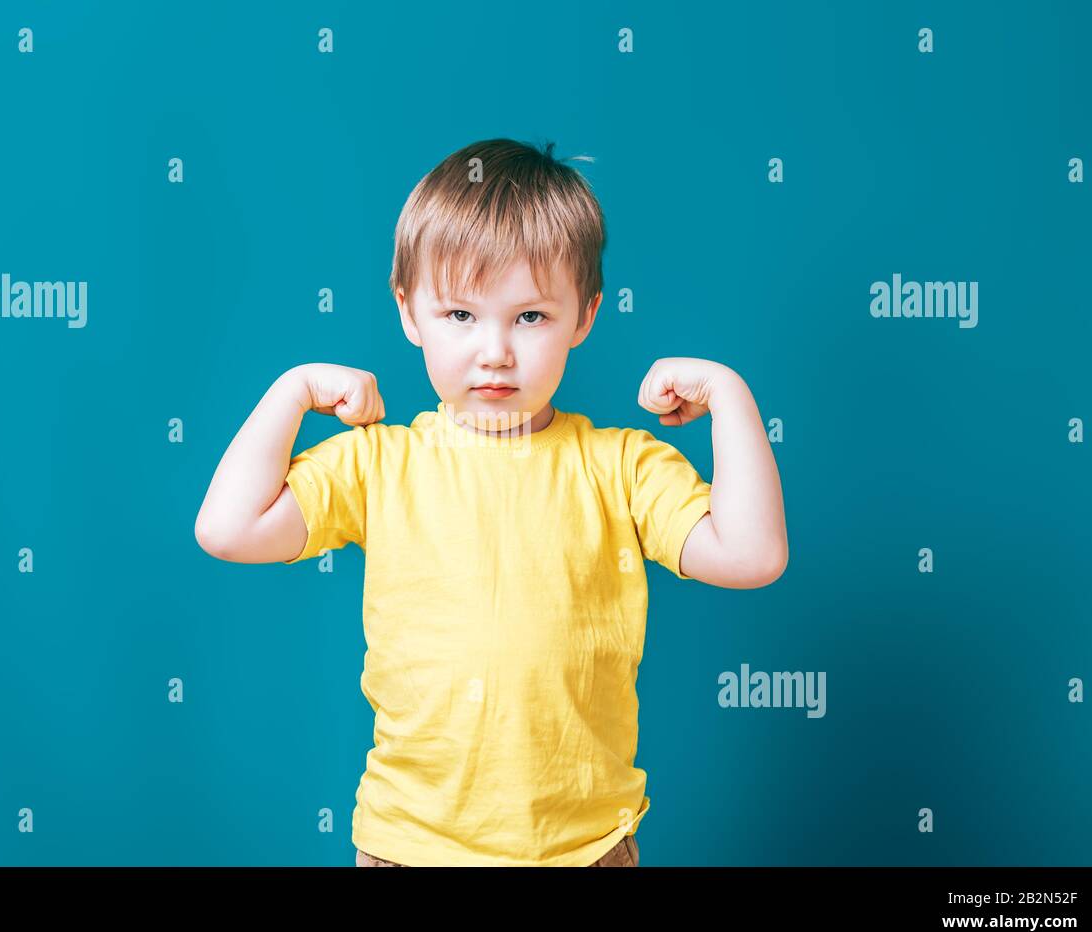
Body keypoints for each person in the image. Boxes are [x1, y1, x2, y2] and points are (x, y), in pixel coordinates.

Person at [194, 138, 788, 866]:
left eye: (531, 316)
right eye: (460, 315)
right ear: (408, 313)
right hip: (409, 846)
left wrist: (731, 396)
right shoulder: (383, 464)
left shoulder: (621, 468)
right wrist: (293, 391)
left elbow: (753, 555)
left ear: (586, 315)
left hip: (586, 849)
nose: (496, 351)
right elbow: (228, 529)